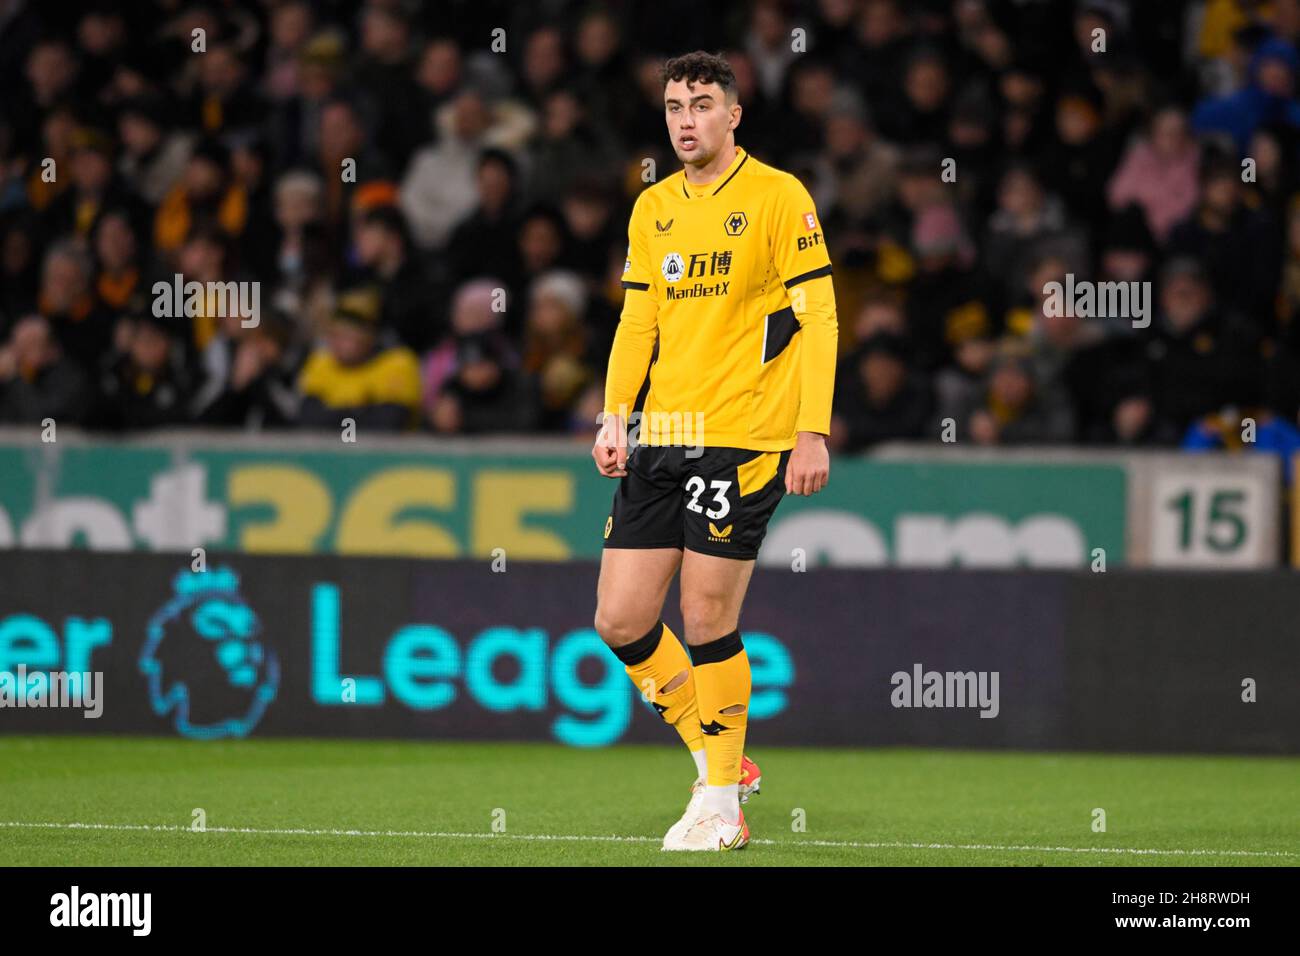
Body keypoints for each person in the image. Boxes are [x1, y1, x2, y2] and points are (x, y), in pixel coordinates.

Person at [591, 52, 837, 852]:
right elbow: (638, 322)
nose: (685, 119)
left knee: (705, 616)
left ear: (734, 115)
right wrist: (614, 416)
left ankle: (721, 804)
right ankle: (717, 755)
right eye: (672, 106)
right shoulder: (652, 207)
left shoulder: (778, 196)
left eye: (701, 104)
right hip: (663, 433)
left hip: (745, 436)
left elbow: (821, 317)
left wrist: (812, 428)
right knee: (621, 618)